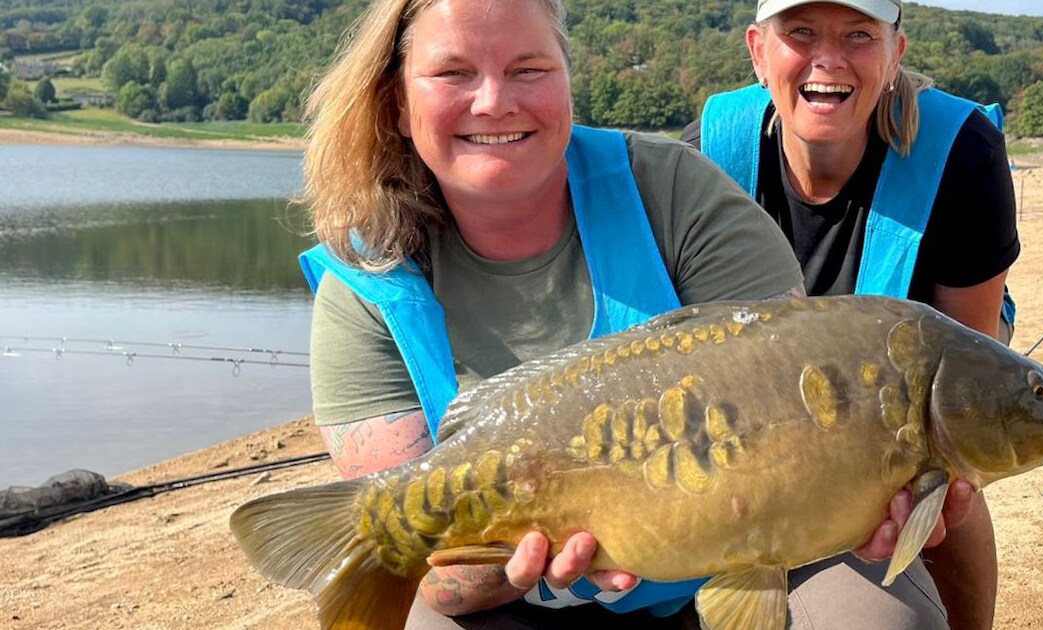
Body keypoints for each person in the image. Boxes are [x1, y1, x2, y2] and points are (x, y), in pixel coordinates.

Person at [297, 0, 969, 627]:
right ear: (397, 101)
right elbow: (429, 581)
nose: (495, 101)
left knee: (880, 614)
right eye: (453, 73)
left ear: (565, 79)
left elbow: (787, 406)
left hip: (739, 565)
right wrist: (518, 552)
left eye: (529, 70)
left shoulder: (681, 194)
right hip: (513, 604)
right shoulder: (367, 282)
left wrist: (863, 505)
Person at [683, 1, 1021, 628]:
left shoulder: (964, 152)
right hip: (770, 353)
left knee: (941, 452)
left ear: (896, 53)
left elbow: (970, 352)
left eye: (859, 35)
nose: (828, 60)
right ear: (758, 50)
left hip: (931, 345)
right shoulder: (706, 154)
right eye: (801, 32)